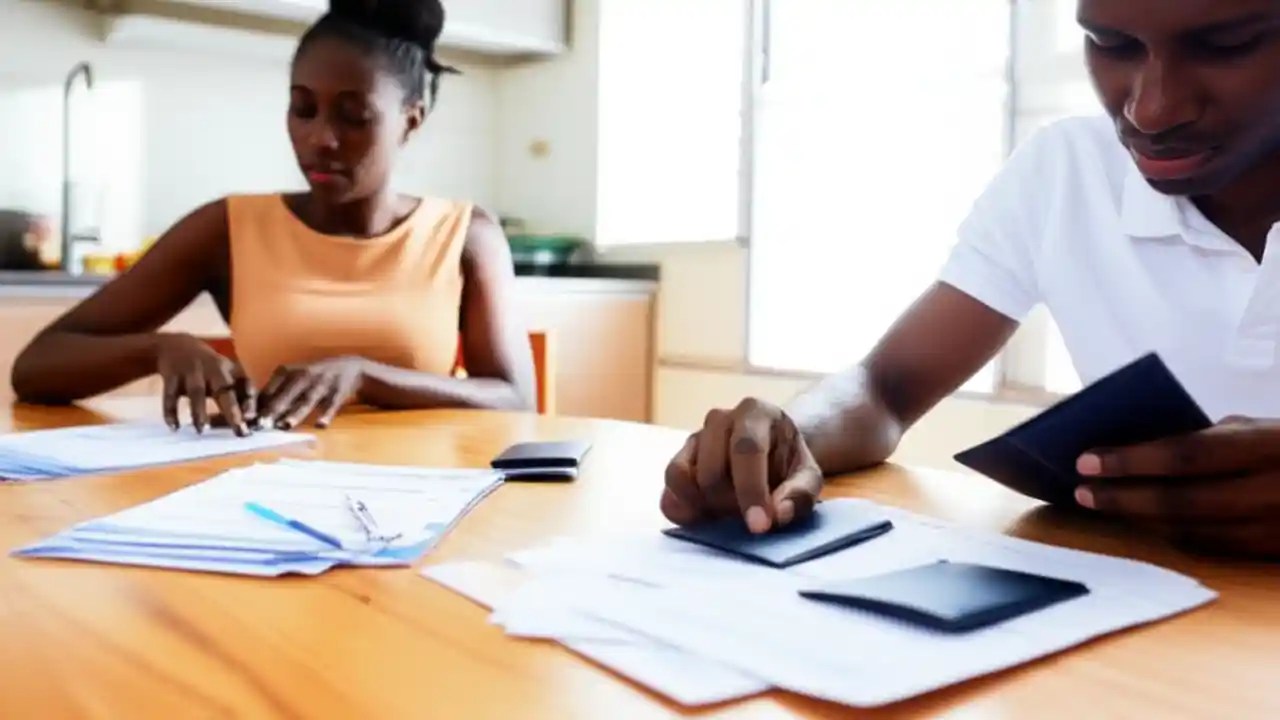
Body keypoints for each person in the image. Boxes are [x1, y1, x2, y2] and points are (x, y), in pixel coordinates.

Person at [663, 0, 1280, 560]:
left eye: (1226, 47)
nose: (1151, 109)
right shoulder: (1067, 170)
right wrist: (791, 435)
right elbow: (883, 388)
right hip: (1163, 610)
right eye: (1112, 45)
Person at [11, 0, 537, 435]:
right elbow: (35, 369)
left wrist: (366, 376)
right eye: (302, 109)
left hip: (425, 497)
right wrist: (161, 348)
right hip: (266, 491)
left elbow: (515, 400)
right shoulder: (228, 228)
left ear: (410, 121)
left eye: (353, 117)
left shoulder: (467, 235)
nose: (320, 138)